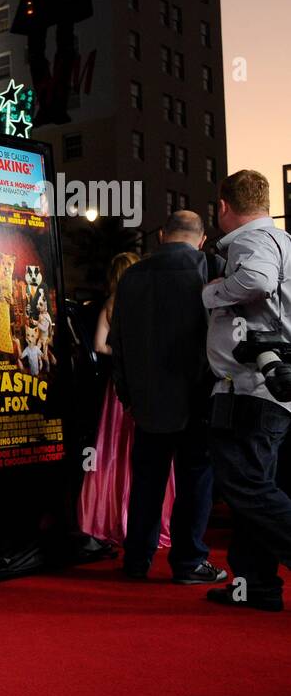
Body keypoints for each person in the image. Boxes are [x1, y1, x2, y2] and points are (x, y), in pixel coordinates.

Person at [109, 211, 225, 583]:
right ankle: (188, 562)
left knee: (147, 484)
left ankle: (136, 561)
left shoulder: (132, 276)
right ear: (202, 238)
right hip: (197, 399)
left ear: (162, 234)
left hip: (147, 402)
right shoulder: (210, 268)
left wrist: (127, 396)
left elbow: (120, 345)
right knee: (195, 482)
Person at [201, 170, 291, 612]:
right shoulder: (282, 241)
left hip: (251, 388)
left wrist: (213, 292)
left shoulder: (250, 243)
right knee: (256, 486)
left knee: (247, 486)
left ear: (222, 206)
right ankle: (256, 585)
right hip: (268, 386)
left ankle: (258, 582)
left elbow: (256, 282)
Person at [78, 252, 177, 545]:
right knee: (149, 452)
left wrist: (123, 355)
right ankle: (152, 520)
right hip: (148, 386)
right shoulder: (148, 304)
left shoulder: (110, 304)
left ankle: (109, 516)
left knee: (113, 451)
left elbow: (97, 345)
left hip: (118, 389)